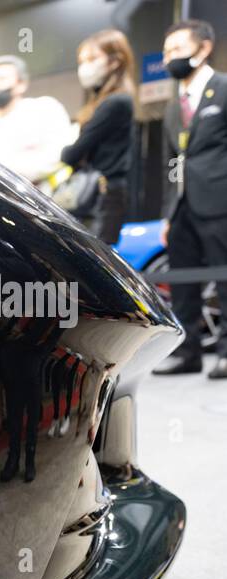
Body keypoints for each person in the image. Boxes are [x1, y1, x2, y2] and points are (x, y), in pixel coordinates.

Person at [154, 19, 227, 379]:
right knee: (182, 281)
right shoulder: (172, 107)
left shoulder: (224, 89)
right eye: (166, 51)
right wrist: (168, 215)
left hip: (219, 202)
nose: (170, 58)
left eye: (178, 49)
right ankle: (187, 353)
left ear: (203, 48)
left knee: (223, 276)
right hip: (182, 207)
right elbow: (173, 162)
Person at [60, 30, 136, 244]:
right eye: (82, 61)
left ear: (115, 62)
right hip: (98, 195)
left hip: (103, 195)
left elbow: (73, 153)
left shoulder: (116, 102)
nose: (85, 67)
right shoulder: (102, 102)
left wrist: (65, 150)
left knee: (93, 258)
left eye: (92, 59)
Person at [0, 55, 73, 188]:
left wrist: (8, 168)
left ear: (21, 84)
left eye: (1, 79)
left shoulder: (44, 108)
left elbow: (59, 154)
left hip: (45, 197)